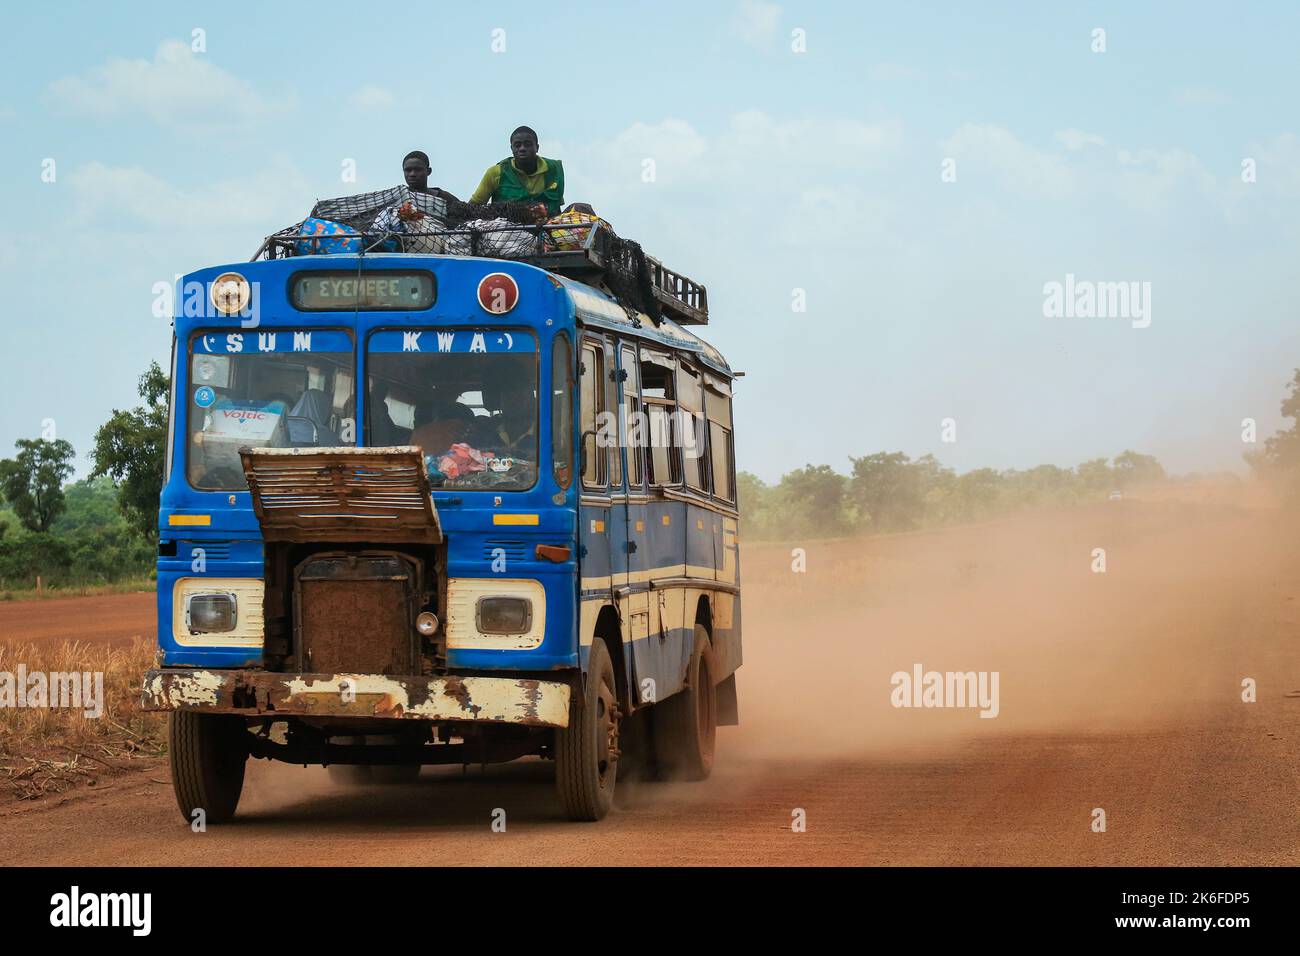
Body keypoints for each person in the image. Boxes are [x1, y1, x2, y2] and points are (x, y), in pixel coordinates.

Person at [467, 127, 565, 219]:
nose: (522, 148)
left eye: (528, 144)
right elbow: (474, 206)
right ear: (512, 149)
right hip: (508, 229)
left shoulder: (553, 169)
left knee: (578, 207)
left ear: (537, 147)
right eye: (517, 145)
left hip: (547, 226)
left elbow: (556, 206)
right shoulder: (496, 172)